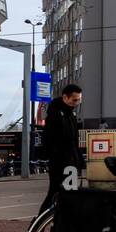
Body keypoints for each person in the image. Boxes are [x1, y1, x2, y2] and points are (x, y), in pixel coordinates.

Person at [39, 83, 85, 216]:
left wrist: (78, 160)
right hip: (62, 162)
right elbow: (51, 140)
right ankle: (37, 225)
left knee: (69, 195)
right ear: (65, 97)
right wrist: (59, 158)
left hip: (70, 161)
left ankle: (61, 228)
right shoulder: (56, 114)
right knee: (57, 193)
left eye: (79, 100)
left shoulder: (69, 113)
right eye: (74, 100)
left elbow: (73, 141)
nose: (76, 103)